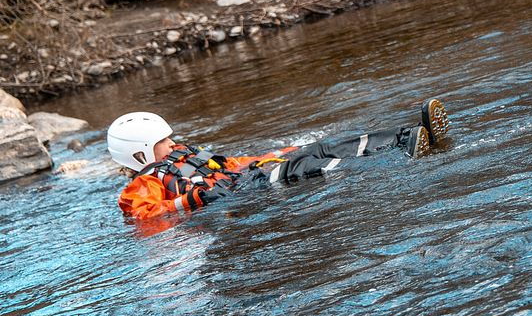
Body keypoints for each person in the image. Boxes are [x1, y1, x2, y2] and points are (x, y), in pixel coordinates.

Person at [107, 99, 450, 221]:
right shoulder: (140, 186)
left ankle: (406, 135)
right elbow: (145, 216)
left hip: (242, 180)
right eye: (163, 143)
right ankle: (404, 152)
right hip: (238, 195)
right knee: (297, 170)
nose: (173, 144)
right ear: (138, 154)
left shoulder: (186, 157)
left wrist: (274, 155)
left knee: (318, 148)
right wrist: (193, 199)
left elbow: (231, 164)